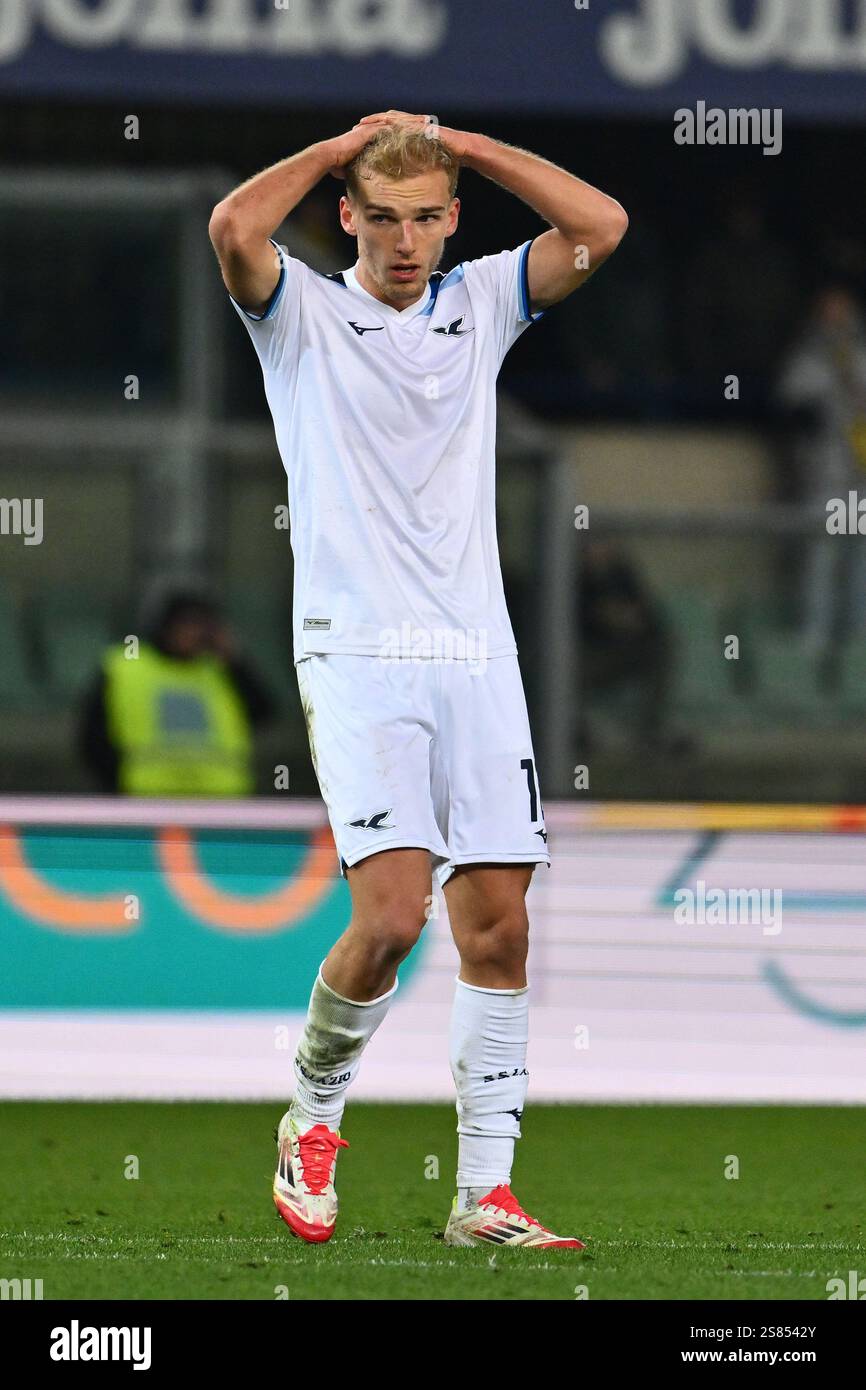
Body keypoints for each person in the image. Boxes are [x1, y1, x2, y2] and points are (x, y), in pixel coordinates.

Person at [209, 112, 627, 1248]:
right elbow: (233, 223)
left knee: (497, 927)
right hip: (355, 651)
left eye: (426, 218)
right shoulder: (299, 311)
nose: (404, 242)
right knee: (391, 917)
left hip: (476, 656)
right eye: (381, 218)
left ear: (451, 221)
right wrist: (345, 139)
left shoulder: (482, 299)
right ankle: (312, 1112)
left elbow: (600, 223)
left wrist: (472, 148)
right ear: (347, 216)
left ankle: (482, 1194)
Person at [79, 591, 274, 796]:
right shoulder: (125, 668)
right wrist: (116, 787)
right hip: (146, 801)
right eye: (187, 624)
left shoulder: (222, 669)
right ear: (165, 626)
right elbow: (93, 739)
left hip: (222, 803)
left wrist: (236, 662)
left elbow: (264, 712)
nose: (194, 633)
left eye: (203, 626)